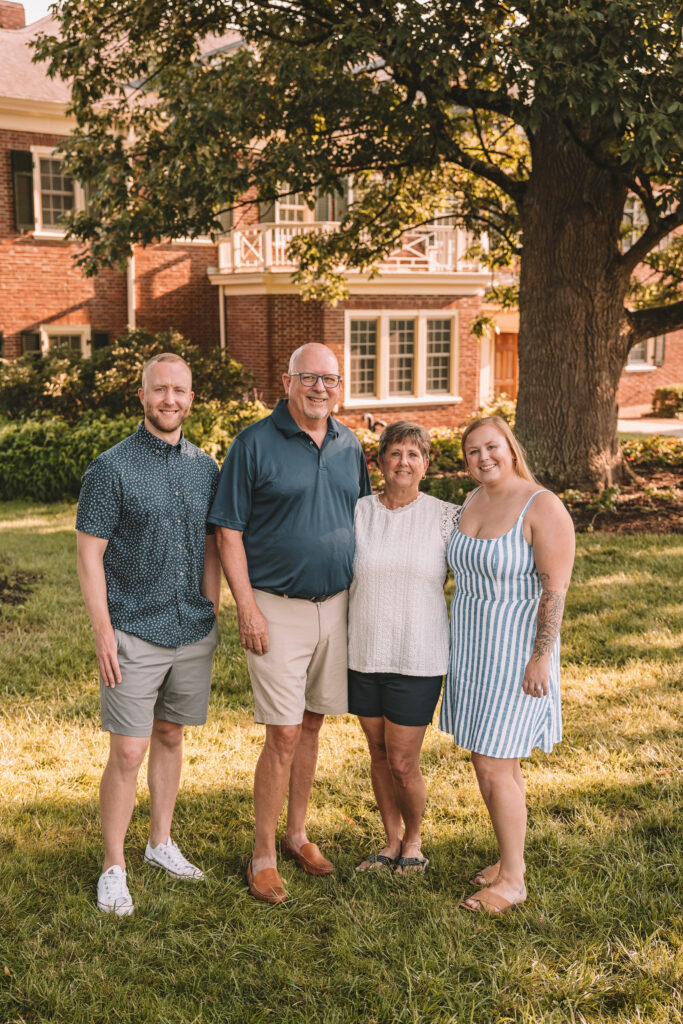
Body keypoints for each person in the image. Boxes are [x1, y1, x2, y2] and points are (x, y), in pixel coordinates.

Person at [208, 342, 371, 904]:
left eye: (330, 379)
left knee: (313, 723)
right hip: (275, 606)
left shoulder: (350, 445)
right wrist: (247, 606)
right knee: (282, 732)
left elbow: (363, 518)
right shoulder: (254, 443)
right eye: (309, 378)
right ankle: (262, 854)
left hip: (338, 606)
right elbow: (228, 531)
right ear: (287, 382)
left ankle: (297, 834)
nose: (320, 388)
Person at [76, 352, 221, 916]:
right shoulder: (109, 469)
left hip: (191, 628)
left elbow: (212, 545)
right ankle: (113, 865)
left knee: (170, 737)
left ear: (190, 397)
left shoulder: (205, 468)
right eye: (160, 389)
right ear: (141, 396)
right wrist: (104, 634)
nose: (170, 399)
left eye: (180, 390)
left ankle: (160, 842)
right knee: (128, 750)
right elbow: (90, 557)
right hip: (133, 630)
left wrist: (211, 605)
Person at [439, 415, 575, 914]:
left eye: (491, 447)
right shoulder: (473, 500)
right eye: (473, 452)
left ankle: (513, 881)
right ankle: (505, 859)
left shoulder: (542, 506)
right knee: (493, 761)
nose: (483, 458)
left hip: (516, 657)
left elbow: (554, 592)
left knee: (495, 764)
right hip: (473, 654)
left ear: (511, 448)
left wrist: (540, 658)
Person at [348, 421, 460, 874]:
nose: (404, 463)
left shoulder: (447, 516)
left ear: (426, 464)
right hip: (364, 652)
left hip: (419, 655)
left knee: (401, 760)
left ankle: (414, 840)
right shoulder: (358, 512)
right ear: (380, 462)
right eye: (395, 453)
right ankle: (390, 840)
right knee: (377, 753)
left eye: (414, 455)